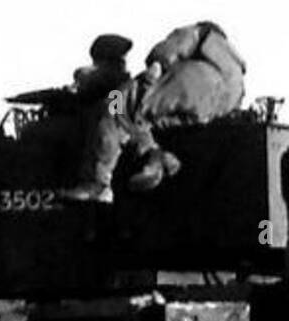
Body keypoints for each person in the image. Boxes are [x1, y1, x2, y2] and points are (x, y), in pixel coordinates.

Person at [59, 21, 246, 202]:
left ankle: (97, 184)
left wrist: (155, 66)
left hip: (191, 84)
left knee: (114, 107)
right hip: (212, 106)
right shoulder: (235, 70)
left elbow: (172, 48)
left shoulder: (202, 32)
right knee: (141, 121)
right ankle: (156, 159)